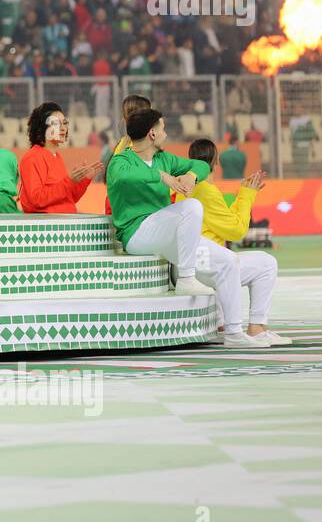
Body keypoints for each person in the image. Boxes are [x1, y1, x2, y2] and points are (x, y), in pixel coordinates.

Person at [109, 110, 270, 348]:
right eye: (162, 129)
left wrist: (192, 176)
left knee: (228, 262)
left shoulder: (165, 158)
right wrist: (162, 177)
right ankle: (186, 277)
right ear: (152, 133)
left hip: (166, 237)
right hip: (138, 235)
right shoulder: (120, 161)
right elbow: (125, 178)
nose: (165, 134)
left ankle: (234, 333)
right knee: (191, 207)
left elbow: (199, 165)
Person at [187, 139, 289, 347]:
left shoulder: (188, 188)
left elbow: (224, 222)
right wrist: (247, 195)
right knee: (267, 264)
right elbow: (236, 231)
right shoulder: (205, 190)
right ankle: (256, 328)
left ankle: (247, 328)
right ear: (216, 161)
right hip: (207, 264)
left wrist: (243, 194)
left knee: (260, 262)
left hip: (195, 262)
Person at [18, 102, 102, 214]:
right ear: (42, 127)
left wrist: (84, 180)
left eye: (64, 123)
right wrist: (69, 181)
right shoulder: (32, 158)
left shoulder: (57, 157)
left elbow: (69, 198)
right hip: (49, 227)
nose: (63, 128)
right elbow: (36, 199)